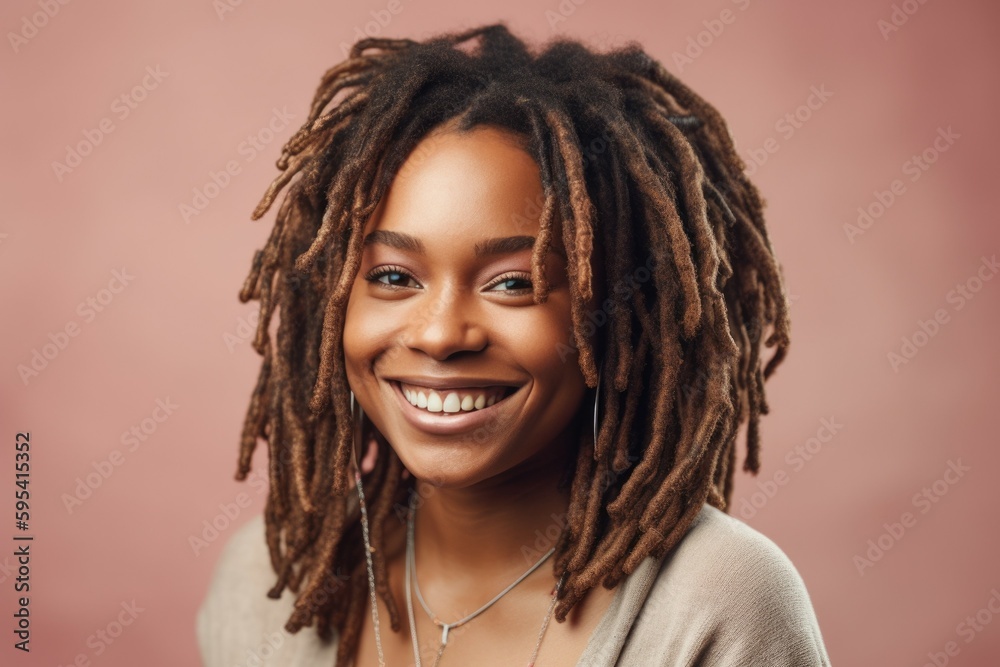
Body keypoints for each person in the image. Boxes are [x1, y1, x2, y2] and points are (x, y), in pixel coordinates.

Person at [196, 22, 832, 666]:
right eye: (393, 276)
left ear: (621, 313)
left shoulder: (719, 604)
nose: (441, 334)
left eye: (513, 283)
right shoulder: (267, 585)